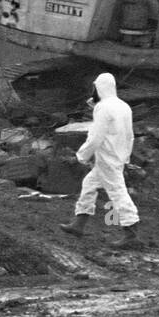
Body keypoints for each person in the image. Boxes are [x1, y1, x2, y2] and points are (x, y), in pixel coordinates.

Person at [60, 72, 140, 248]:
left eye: (95, 88)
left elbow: (95, 136)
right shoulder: (124, 106)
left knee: (117, 192)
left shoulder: (103, 108)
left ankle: (131, 232)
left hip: (106, 157)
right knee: (89, 184)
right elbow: (130, 135)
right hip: (118, 155)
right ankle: (78, 224)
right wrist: (125, 156)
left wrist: (82, 155)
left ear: (99, 87)